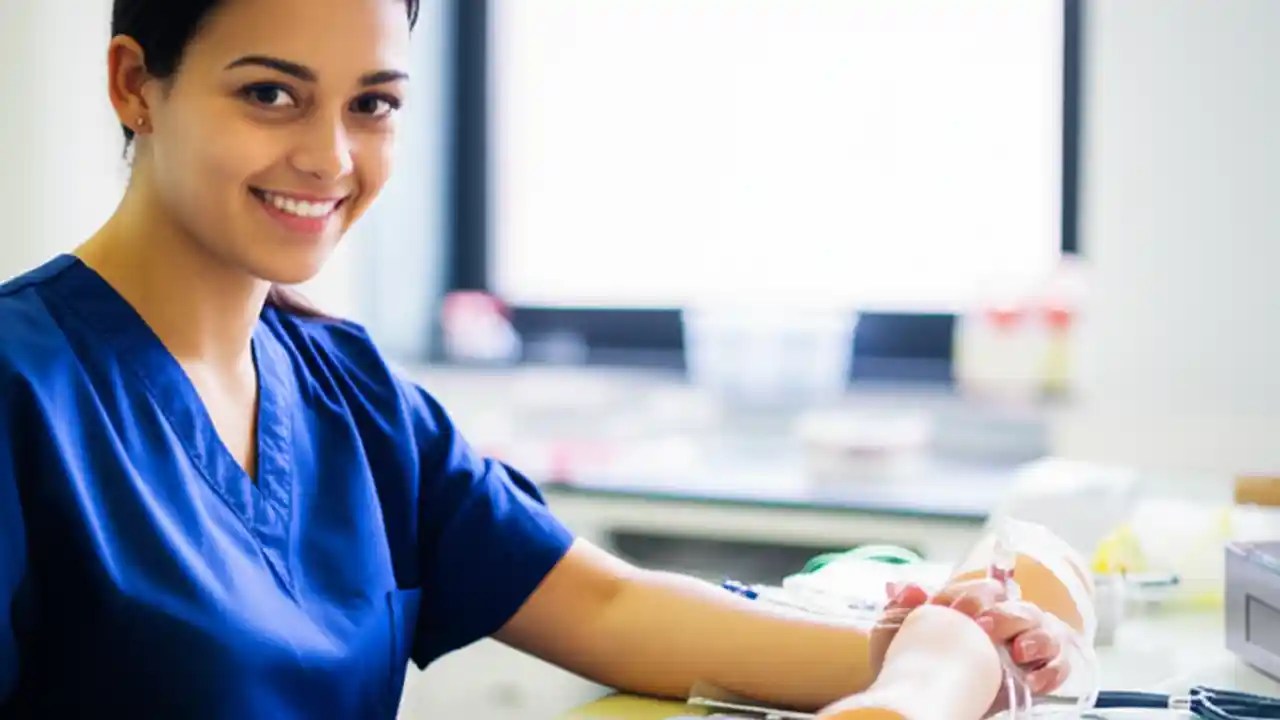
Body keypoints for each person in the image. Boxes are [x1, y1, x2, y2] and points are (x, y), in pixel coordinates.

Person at [0, 0, 1077, 717]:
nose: (329, 157)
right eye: (270, 93)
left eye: (372, 104)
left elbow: (608, 610)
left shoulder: (350, 396)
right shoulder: (20, 392)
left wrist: (936, 650)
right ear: (135, 84)